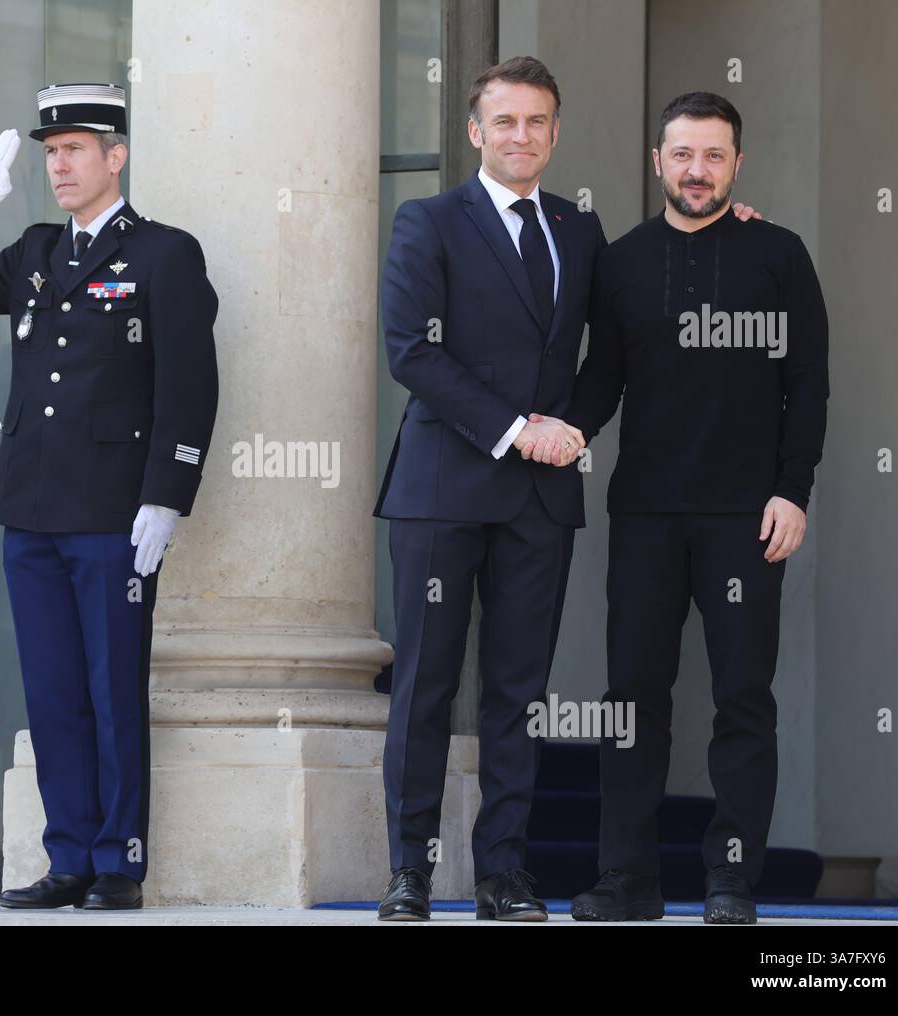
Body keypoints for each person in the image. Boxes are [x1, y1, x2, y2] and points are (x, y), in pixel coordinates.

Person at [0, 83, 218, 910]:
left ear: (116, 156)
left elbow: (190, 387)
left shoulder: (163, 255)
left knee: (113, 690)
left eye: (76, 149)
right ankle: (69, 854)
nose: (60, 165)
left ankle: (119, 861)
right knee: (51, 692)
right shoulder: (37, 252)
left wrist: (167, 494)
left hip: (115, 511)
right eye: (51, 152)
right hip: (31, 509)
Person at [564, 92, 828, 924]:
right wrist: (559, 431)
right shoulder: (623, 260)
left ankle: (730, 879)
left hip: (747, 518)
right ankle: (627, 879)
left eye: (714, 156)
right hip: (644, 512)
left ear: (737, 164)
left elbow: (807, 386)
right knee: (632, 696)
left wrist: (794, 490)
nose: (697, 170)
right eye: (682, 154)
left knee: (743, 697)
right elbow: (603, 375)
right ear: (658, 161)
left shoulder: (778, 255)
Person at [372, 57, 597, 922]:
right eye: (504, 122)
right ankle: (410, 873)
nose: (521, 136)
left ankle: (503, 876)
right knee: (425, 685)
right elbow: (412, 352)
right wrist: (518, 429)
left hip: (539, 499)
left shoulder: (579, 232)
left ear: (554, 132)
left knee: (518, 694)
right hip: (443, 487)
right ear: (476, 133)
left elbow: (611, 344)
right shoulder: (426, 221)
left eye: (537, 122)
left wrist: (731, 231)